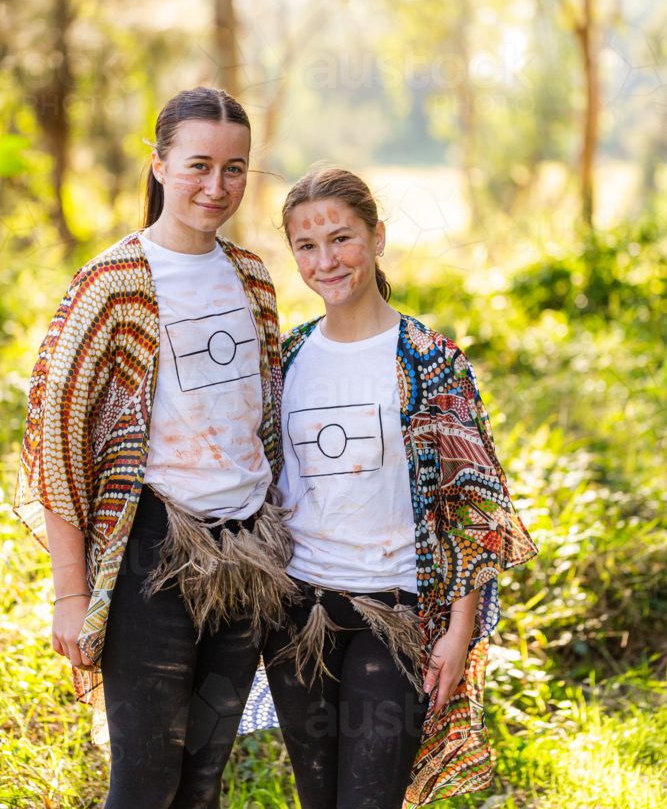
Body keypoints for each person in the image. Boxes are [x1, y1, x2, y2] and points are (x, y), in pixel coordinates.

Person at [14, 87, 294, 809]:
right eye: (198, 164)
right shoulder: (113, 283)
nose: (216, 185)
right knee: (143, 783)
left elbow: (264, 420)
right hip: (152, 553)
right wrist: (71, 594)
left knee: (203, 781)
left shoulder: (252, 278)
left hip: (245, 557)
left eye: (235, 169)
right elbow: (56, 437)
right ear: (160, 164)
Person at [263, 166, 538, 809]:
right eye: (306, 245)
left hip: (394, 617)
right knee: (319, 799)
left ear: (377, 237)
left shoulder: (429, 359)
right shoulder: (288, 358)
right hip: (297, 615)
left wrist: (459, 631)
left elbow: (475, 506)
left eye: (341, 238)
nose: (325, 260)